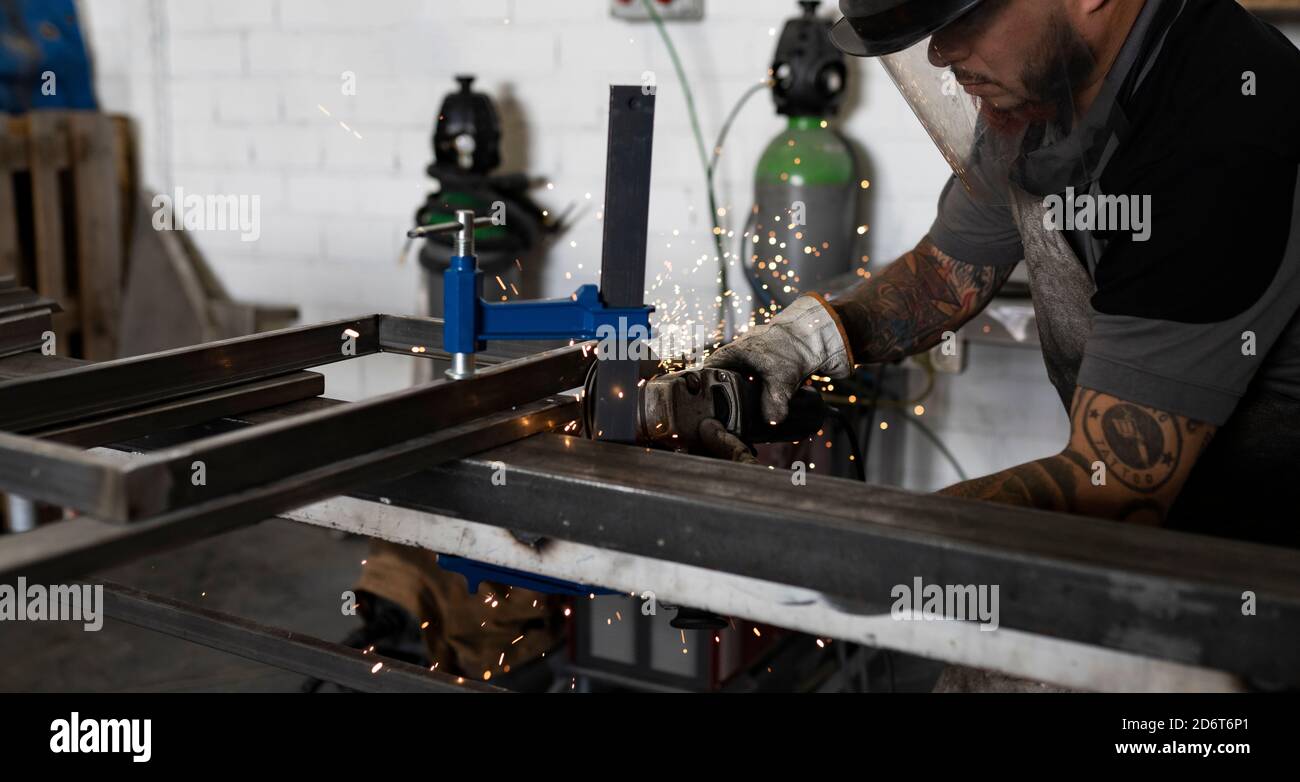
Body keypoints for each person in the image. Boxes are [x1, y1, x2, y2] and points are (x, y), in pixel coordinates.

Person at [709, 0, 1300, 547]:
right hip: (1164, 532)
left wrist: (863, 540)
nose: (940, 53)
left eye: (964, 18)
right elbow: (944, 276)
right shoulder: (1043, 91)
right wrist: (805, 338)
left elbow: (1117, 485)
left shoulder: (1224, 126)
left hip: (1263, 567)